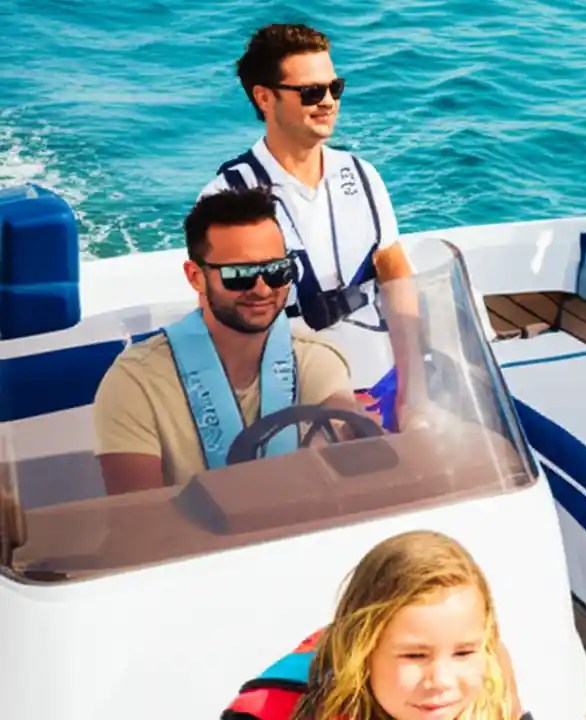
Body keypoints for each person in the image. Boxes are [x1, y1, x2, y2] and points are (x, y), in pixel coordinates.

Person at [200, 23, 427, 431]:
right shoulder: (227, 196)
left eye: (333, 88)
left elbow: (395, 273)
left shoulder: (362, 175)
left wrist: (415, 394)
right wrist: (322, 404)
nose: (327, 102)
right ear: (264, 98)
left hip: (385, 385)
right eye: (310, 92)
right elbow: (226, 322)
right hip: (292, 404)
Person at [93, 187, 362, 495]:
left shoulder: (318, 359)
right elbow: (137, 520)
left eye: (276, 271)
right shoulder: (134, 382)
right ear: (195, 276)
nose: (262, 290)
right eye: (239, 275)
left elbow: (344, 440)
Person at [222, 530, 530, 720]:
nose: (441, 681)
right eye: (415, 656)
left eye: (463, 653)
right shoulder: (277, 707)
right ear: (361, 650)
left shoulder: (492, 689)